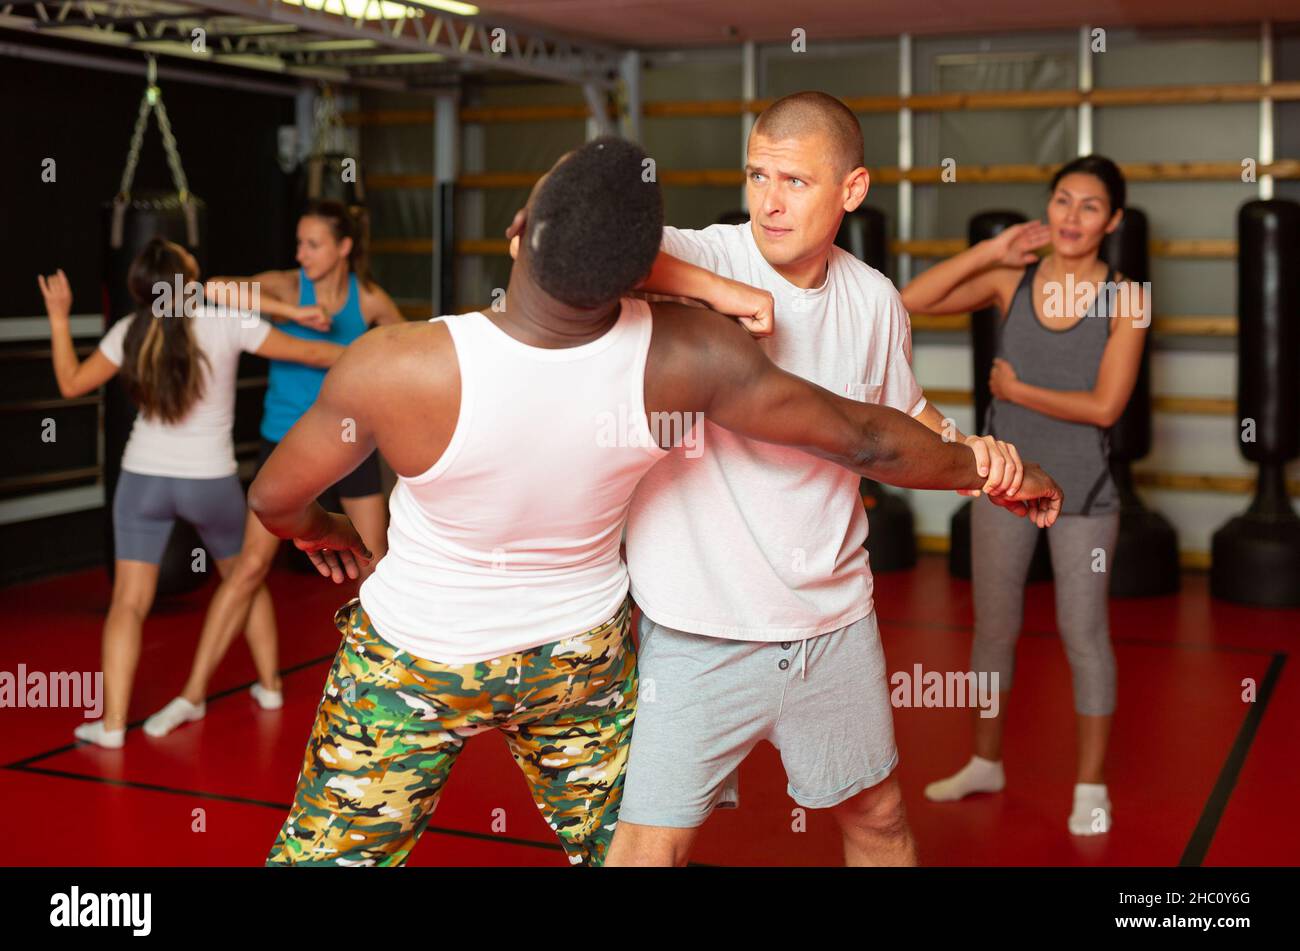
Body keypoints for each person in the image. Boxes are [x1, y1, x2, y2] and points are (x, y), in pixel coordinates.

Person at [247, 136, 1062, 866]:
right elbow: (866, 439)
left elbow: (275, 498)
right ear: (646, 265)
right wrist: (987, 470)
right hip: (579, 663)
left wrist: (319, 530)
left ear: (522, 229)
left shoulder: (397, 365)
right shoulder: (687, 354)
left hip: (415, 656)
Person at [606, 91, 1021, 868]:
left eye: (794, 181)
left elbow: (902, 410)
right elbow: (565, 240)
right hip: (700, 630)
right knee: (646, 851)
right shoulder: (703, 257)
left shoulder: (872, 300)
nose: (768, 201)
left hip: (832, 629)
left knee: (880, 821)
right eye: (758, 175)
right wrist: (724, 296)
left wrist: (974, 458)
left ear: (851, 191)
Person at [902, 155, 1147, 835]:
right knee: (993, 630)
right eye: (1062, 201)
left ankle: (1090, 785)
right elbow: (909, 300)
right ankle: (985, 762)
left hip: (1084, 495)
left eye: (1090, 206)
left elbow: (1105, 407)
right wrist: (990, 250)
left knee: (1084, 633)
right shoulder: (1014, 278)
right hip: (1002, 487)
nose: (1072, 217)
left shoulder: (1128, 298)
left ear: (1114, 220)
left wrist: (1016, 392)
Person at [36, 239, 343, 749]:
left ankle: (112, 726)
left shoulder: (129, 330)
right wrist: (376, 351)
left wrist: (59, 315)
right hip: (209, 483)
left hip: (142, 481)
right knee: (244, 579)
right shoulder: (223, 320)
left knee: (128, 604)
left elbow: (70, 383)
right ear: (185, 276)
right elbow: (310, 352)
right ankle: (268, 686)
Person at [143, 200, 404, 738]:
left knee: (379, 568)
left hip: (351, 442)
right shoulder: (286, 286)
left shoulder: (370, 299)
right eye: (300, 242)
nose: (301, 253)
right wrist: (293, 314)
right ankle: (192, 695)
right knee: (248, 570)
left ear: (343, 248)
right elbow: (211, 287)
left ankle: (390, 689)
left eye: (312, 244)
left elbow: (405, 350)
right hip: (287, 445)